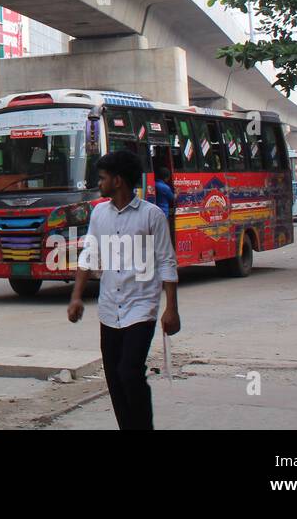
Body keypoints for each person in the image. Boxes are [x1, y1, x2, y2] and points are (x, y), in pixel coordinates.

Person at [68, 149, 179, 430]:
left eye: (103, 178)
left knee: (130, 372)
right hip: (108, 308)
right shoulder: (99, 214)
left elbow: (166, 260)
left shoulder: (151, 216)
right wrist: (76, 297)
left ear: (118, 181)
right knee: (115, 379)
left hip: (141, 308)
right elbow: (89, 256)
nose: (99, 183)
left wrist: (171, 309)